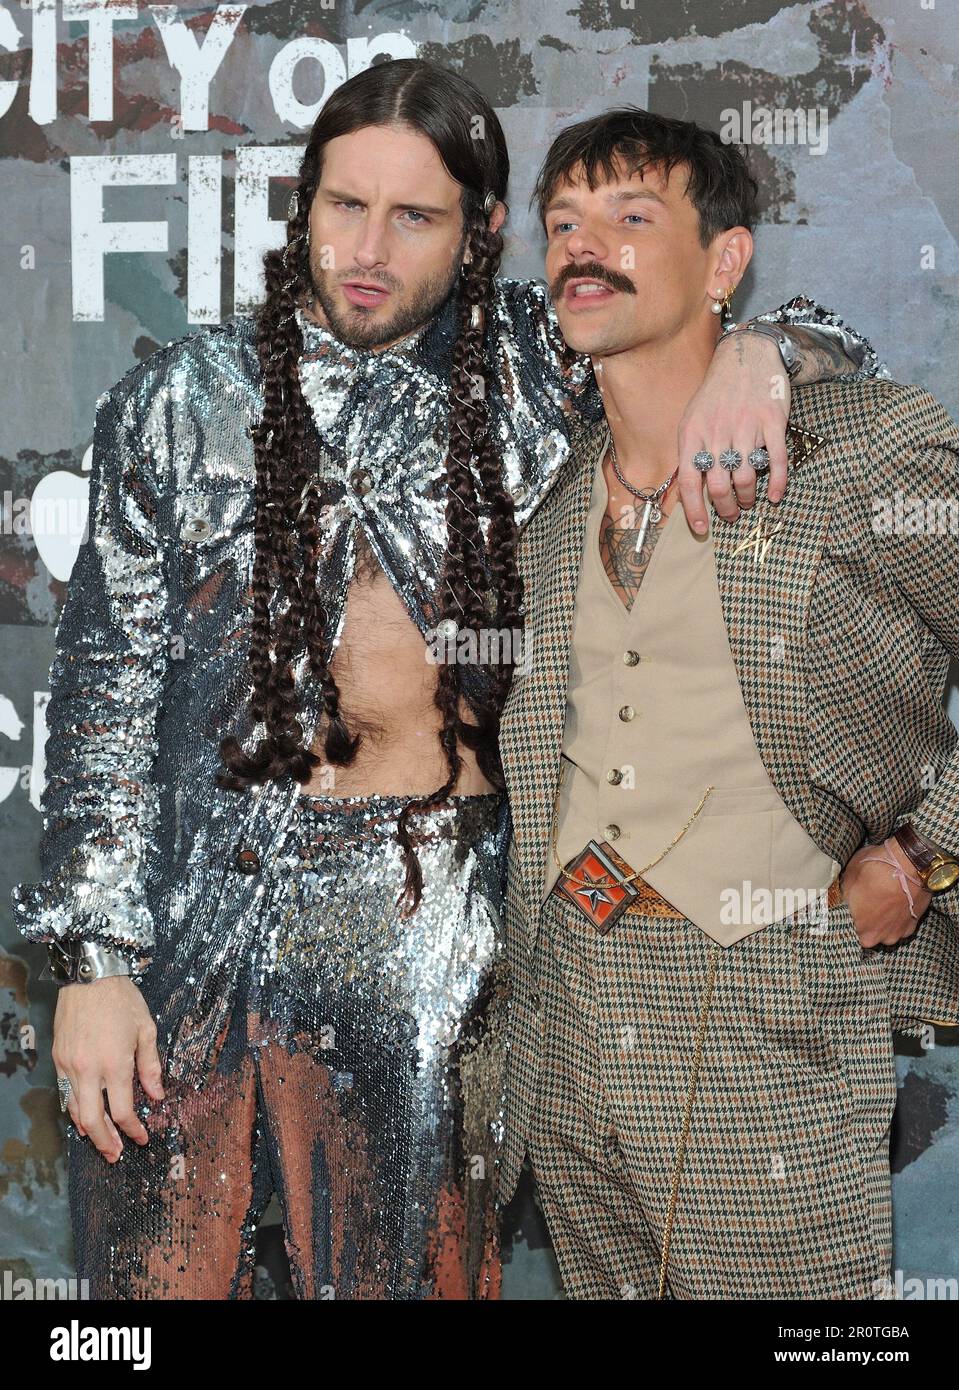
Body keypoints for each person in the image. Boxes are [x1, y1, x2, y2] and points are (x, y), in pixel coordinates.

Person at [11, 61, 883, 1300]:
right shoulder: (175, 400)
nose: (366, 249)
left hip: (424, 915)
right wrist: (95, 963)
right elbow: (102, 697)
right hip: (188, 906)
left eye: (412, 217)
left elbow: (818, 340)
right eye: (341, 207)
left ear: (478, 231)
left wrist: (757, 358)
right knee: (142, 1309)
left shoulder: (542, 358)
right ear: (301, 207)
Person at [496, 105, 959, 1300]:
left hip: (775, 1004)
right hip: (567, 1015)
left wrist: (923, 855)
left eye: (628, 216)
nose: (580, 246)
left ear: (725, 262)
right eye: (560, 223)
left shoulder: (861, 450)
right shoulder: (542, 514)